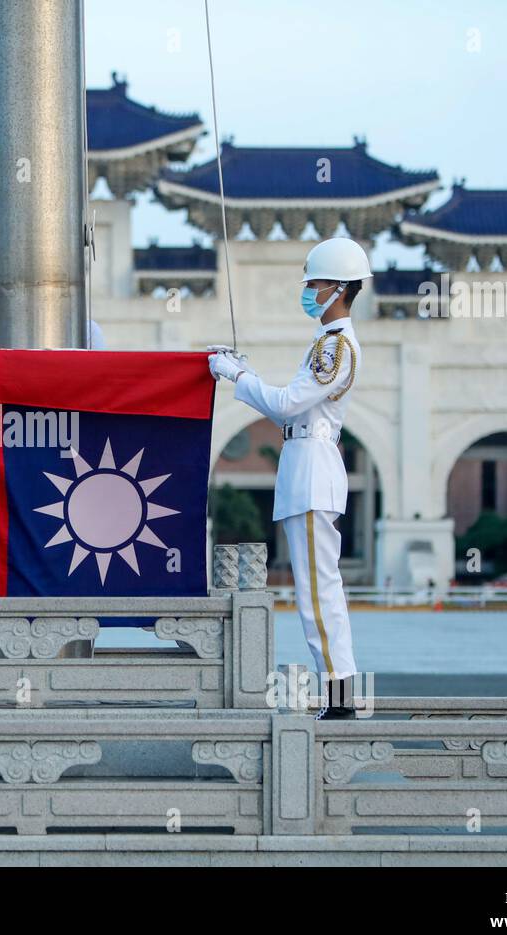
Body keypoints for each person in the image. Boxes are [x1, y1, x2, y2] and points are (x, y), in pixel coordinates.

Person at [209, 236, 370, 719]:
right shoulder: (326, 344)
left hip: (312, 471)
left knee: (317, 591)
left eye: (315, 284)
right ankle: (339, 692)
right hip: (306, 463)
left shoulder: (335, 347)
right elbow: (287, 408)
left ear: (338, 289)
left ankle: (340, 696)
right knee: (317, 588)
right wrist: (245, 372)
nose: (309, 291)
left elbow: (284, 404)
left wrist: (235, 375)